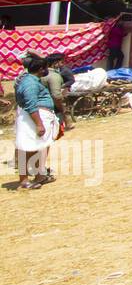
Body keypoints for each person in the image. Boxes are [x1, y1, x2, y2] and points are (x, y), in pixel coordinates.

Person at [14, 55, 58, 189]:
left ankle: (40, 175)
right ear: (40, 69)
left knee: (41, 147)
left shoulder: (30, 80)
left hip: (38, 116)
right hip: (35, 118)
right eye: (45, 68)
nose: (47, 71)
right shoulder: (30, 83)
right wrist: (39, 123)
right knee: (27, 149)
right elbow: (31, 104)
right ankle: (24, 180)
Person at [39, 52, 72, 133]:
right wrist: (62, 110)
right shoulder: (54, 76)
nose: (62, 64)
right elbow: (56, 96)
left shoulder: (40, 74)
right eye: (61, 62)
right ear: (55, 63)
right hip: (52, 107)